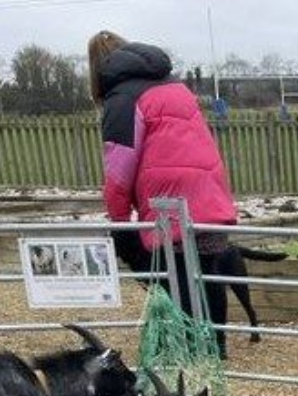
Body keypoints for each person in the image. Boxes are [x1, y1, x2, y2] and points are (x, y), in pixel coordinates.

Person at [87, 31, 237, 358]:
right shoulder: (175, 86)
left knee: (175, 276)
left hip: (170, 202)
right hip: (209, 194)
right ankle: (215, 349)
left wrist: (118, 220)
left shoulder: (122, 99)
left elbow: (119, 167)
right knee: (208, 270)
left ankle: (189, 350)